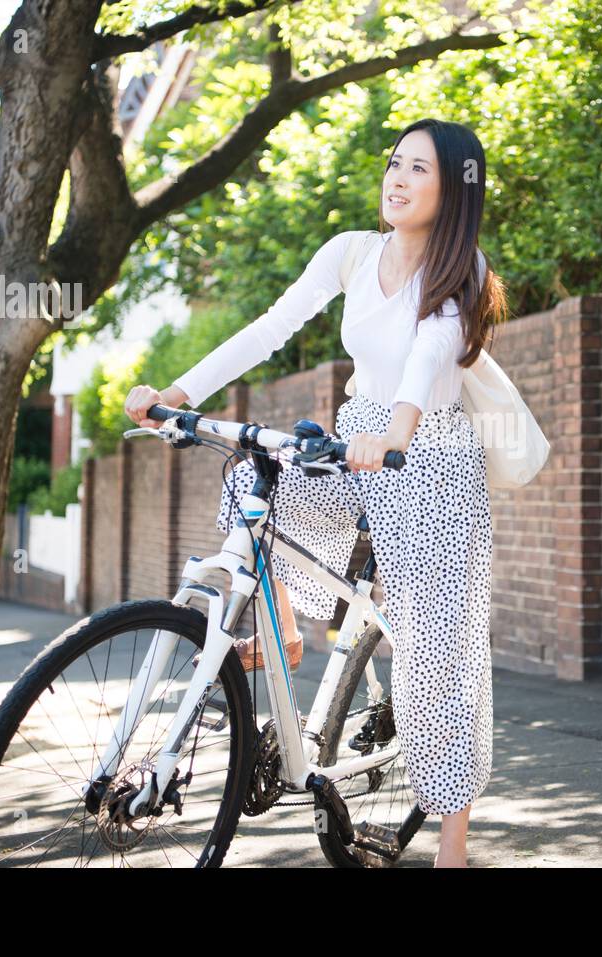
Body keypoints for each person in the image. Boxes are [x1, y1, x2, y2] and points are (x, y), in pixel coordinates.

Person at [125, 118, 509, 867]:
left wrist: (395, 433)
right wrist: (177, 391)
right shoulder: (352, 253)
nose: (396, 179)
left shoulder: (460, 268)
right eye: (394, 163)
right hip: (357, 437)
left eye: (418, 170)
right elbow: (270, 327)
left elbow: (427, 356)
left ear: (454, 190)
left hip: (428, 460)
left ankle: (453, 847)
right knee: (249, 484)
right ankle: (282, 637)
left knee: (435, 661)